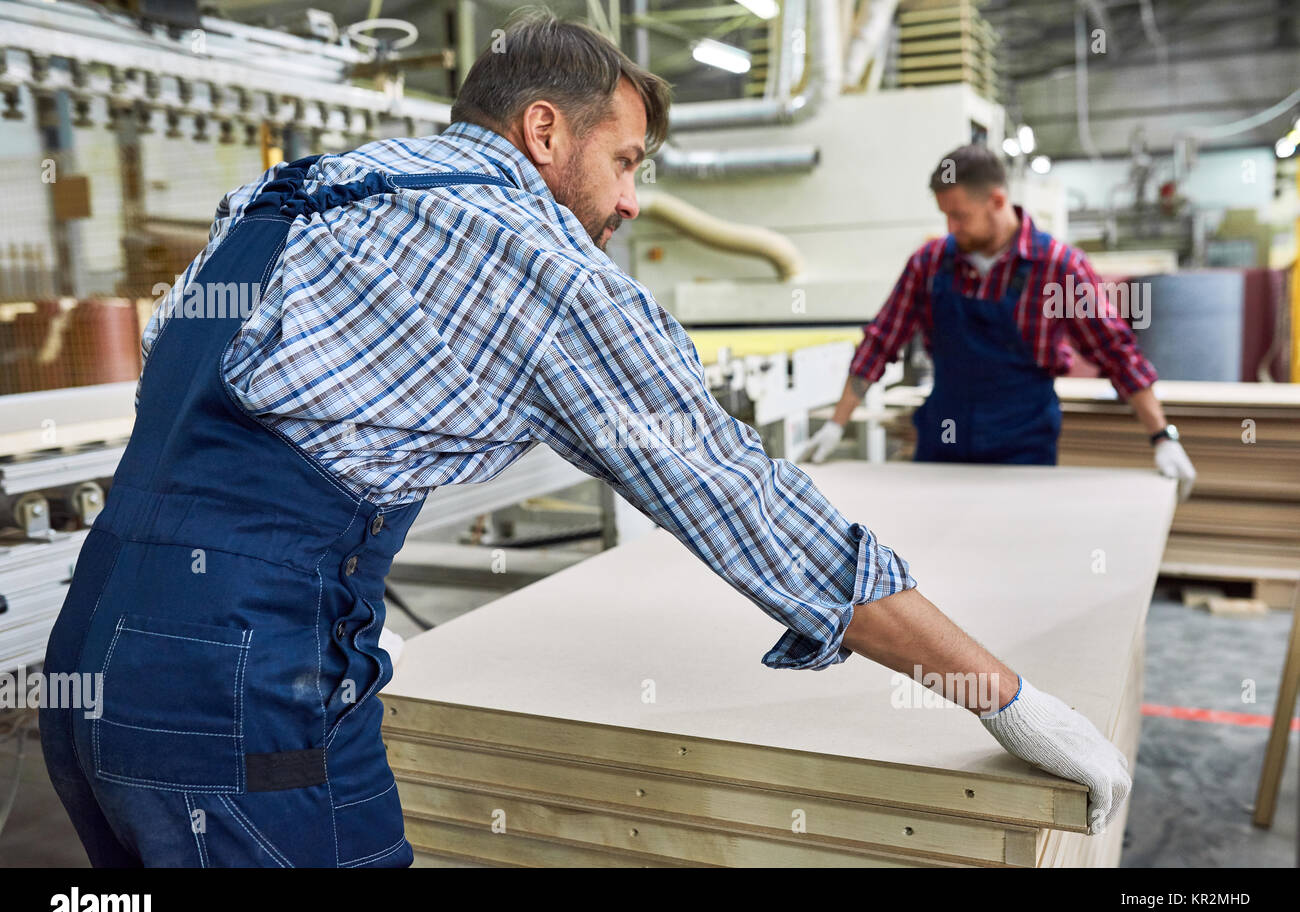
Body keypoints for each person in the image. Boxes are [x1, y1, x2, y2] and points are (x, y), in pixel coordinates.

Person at [40, 9, 1130, 867]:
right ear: (544, 131)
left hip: (99, 657)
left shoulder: (301, 190)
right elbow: (750, 507)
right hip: (238, 688)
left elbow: (222, 415)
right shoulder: (533, 264)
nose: (634, 202)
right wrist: (1004, 695)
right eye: (629, 162)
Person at [801, 144, 1197, 500]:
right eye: (945, 217)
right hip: (944, 440)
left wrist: (1162, 437)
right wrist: (838, 424)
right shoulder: (930, 263)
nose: (950, 229)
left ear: (997, 199)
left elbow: (1115, 353)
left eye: (960, 216)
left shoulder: (1057, 268)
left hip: (1022, 448)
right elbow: (880, 343)